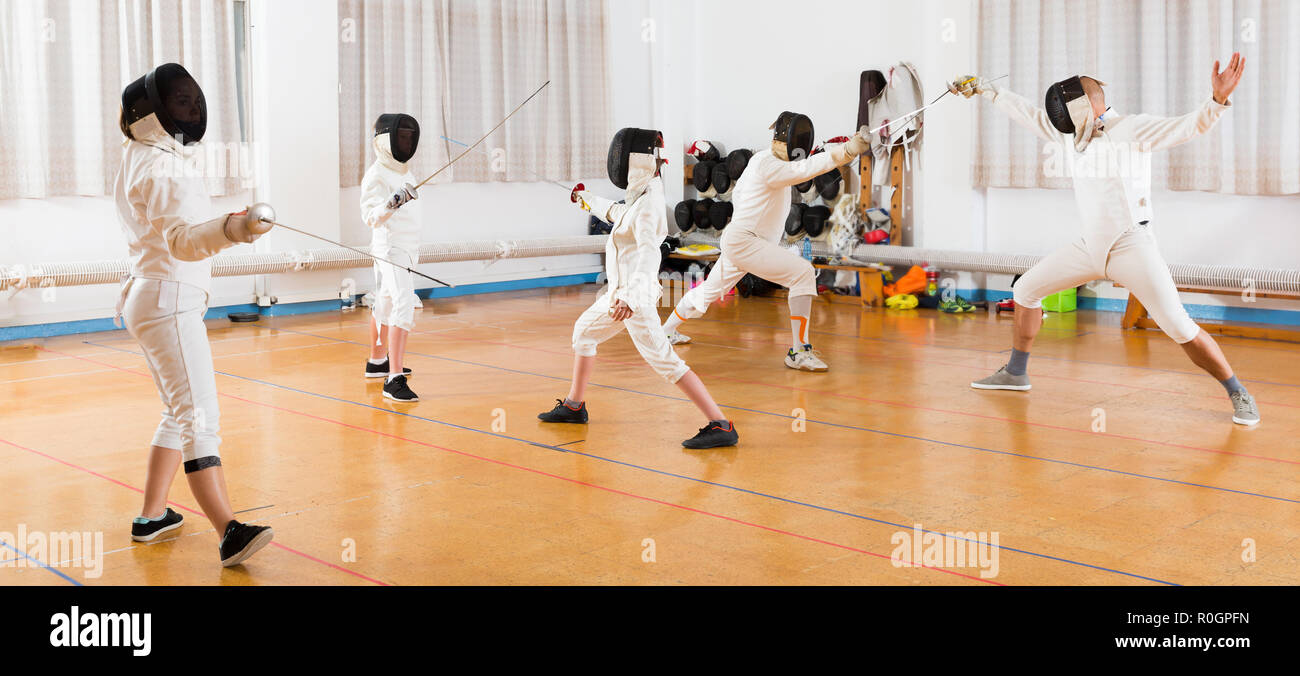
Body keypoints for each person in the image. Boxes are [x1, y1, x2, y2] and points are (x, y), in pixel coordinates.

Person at [953, 53, 1259, 425]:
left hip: (1132, 245)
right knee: (1026, 290)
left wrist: (1216, 101)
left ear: (1088, 104)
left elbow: (1187, 127)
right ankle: (1016, 373)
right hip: (1089, 247)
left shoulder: (1131, 129)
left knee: (1178, 325)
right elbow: (1030, 115)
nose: (1060, 121)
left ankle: (1238, 392)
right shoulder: (1071, 137)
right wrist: (987, 89)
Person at [116, 63, 275, 565]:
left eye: (194, 100)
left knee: (177, 410)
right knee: (199, 414)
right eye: (180, 101)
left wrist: (230, 225)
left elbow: (177, 230)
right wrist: (236, 229)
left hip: (154, 296)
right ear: (151, 112)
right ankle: (229, 530)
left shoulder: (140, 156)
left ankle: (153, 516)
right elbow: (184, 241)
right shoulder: (161, 166)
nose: (193, 109)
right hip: (169, 299)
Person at [538, 128, 739, 449]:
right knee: (584, 333)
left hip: (636, 298)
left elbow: (649, 253)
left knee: (666, 361)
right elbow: (619, 213)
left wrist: (631, 297)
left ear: (638, 161)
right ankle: (575, 406)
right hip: (620, 295)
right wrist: (586, 199)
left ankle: (721, 424)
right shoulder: (641, 195)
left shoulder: (650, 203)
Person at [660, 113, 870, 371]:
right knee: (803, 273)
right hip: (746, 242)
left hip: (742, 241)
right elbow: (804, 169)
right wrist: (847, 151)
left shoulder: (763, 161)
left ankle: (666, 331)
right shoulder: (769, 165)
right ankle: (799, 352)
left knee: (708, 292)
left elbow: (744, 193)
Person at [361, 113, 422, 402]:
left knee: (385, 301)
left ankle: (377, 362)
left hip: (408, 246)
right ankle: (394, 378)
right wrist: (392, 202)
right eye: (401, 137)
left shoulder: (405, 171)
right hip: (391, 248)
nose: (406, 142)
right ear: (386, 141)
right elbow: (371, 217)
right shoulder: (375, 176)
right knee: (404, 303)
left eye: (410, 137)